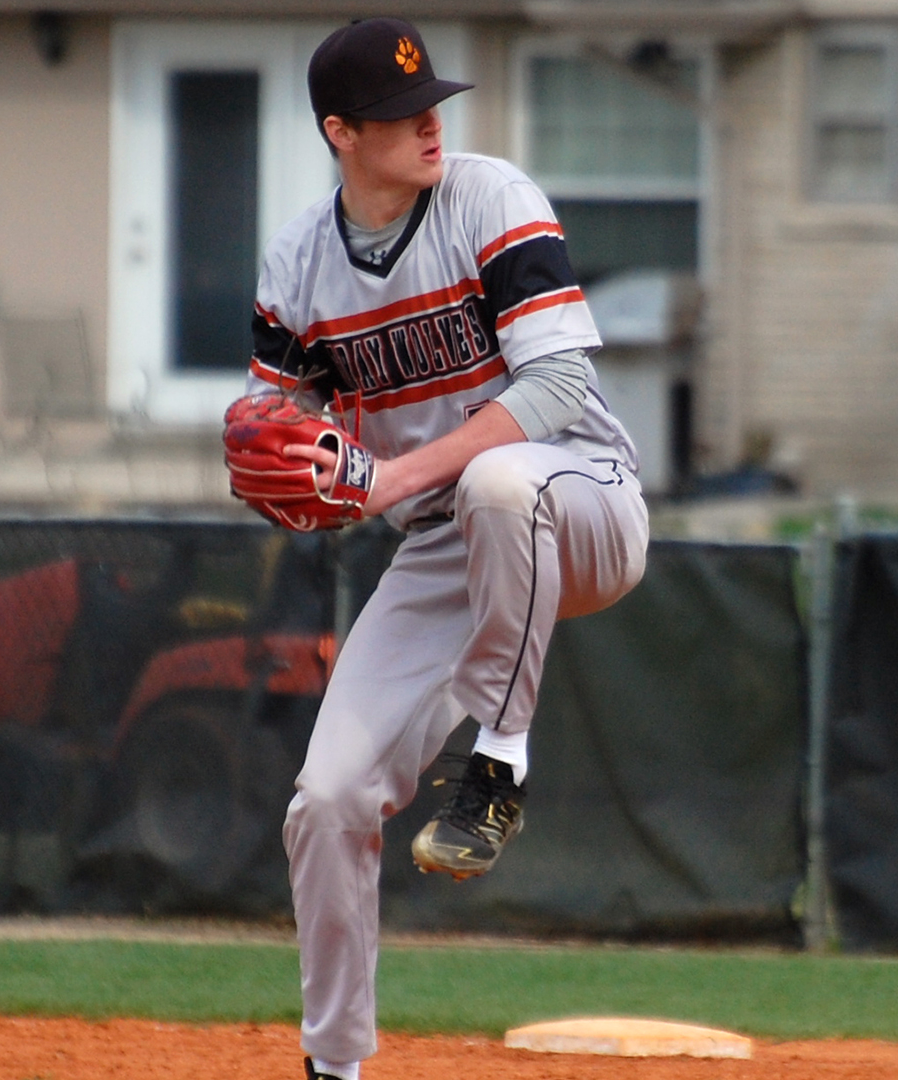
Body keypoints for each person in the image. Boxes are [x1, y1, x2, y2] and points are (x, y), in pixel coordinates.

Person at [236, 18, 649, 1080]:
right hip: (442, 553)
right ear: (339, 132)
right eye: (395, 111)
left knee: (497, 479)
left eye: (432, 100)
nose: (428, 121)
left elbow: (555, 389)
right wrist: (282, 464)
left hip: (582, 499)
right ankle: (335, 1066)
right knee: (326, 801)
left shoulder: (489, 198)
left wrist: (391, 477)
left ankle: (498, 763)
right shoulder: (299, 261)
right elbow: (276, 425)